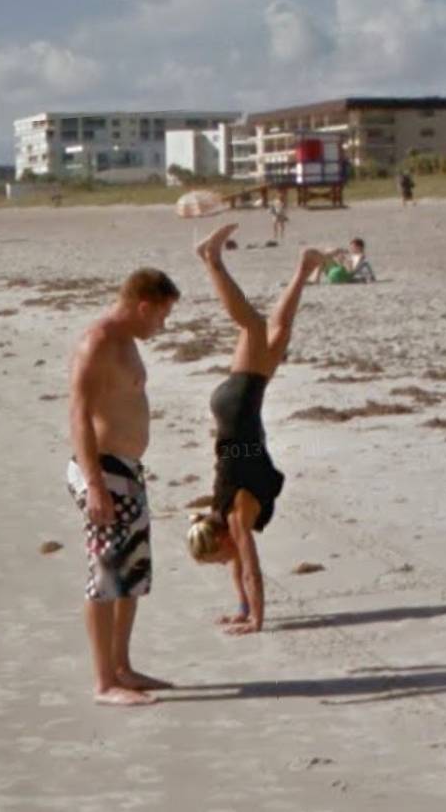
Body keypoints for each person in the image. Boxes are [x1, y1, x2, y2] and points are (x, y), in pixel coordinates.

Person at [184, 221, 322, 635]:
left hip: (239, 411)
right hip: (239, 412)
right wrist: (241, 608)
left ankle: (211, 259)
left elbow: (253, 570)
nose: (228, 561)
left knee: (254, 327)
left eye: (219, 557)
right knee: (278, 335)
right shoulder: (223, 517)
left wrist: (256, 619)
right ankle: (304, 268)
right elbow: (240, 567)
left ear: (220, 538)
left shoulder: (237, 519)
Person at [65, 267, 182, 706]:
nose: (162, 326)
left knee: (130, 574)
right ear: (143, 305)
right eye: (161, 317)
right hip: (103, 469)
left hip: (127, 469)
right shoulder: (99, 341)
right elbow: (78, 414)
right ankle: (103, 683)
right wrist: (94, 484)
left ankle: (122, 667)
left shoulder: (127, 340)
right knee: (105, 575)